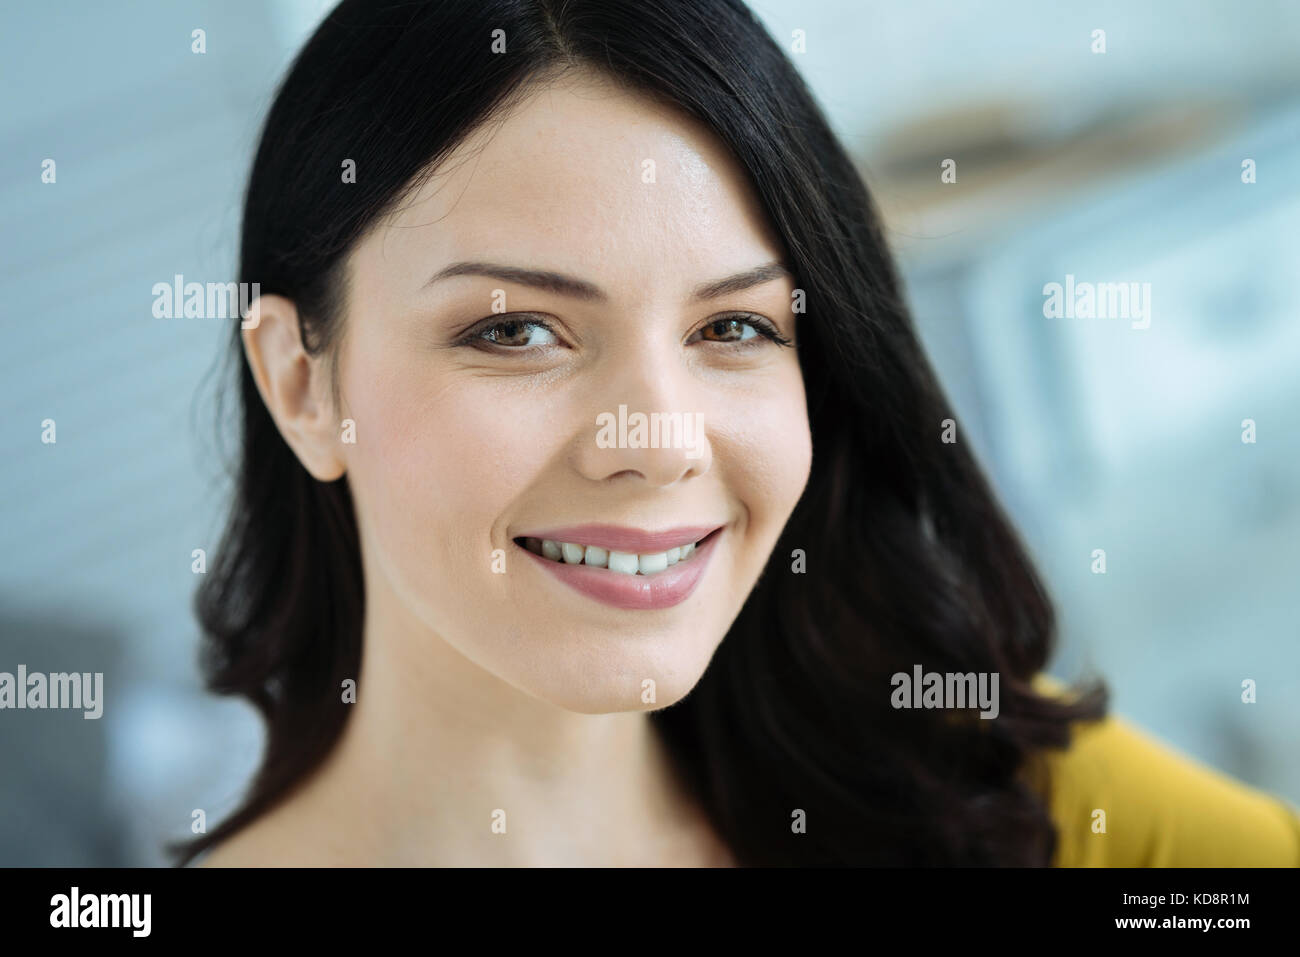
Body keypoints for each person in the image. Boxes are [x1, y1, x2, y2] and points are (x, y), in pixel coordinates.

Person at [176, 0, 1298, 867]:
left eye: (734, 325)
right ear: (300, 385)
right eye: (517, 330)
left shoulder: (1003, 803)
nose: (658, 441)